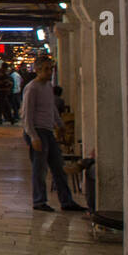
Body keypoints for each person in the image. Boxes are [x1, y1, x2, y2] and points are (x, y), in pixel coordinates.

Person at [21, 54, 86, 213]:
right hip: (38, 131)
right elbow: (26, 115)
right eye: (46, 69)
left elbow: (52, 108)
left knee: (59, 167)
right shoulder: (32, 88)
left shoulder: (48, 87)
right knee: (40, 169)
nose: (49, 72)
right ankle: (39, 201)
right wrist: (33, 136)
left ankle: (66, 201)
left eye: (51, 69)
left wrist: (60, 124)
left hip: (48, 131)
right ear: (37, 70)